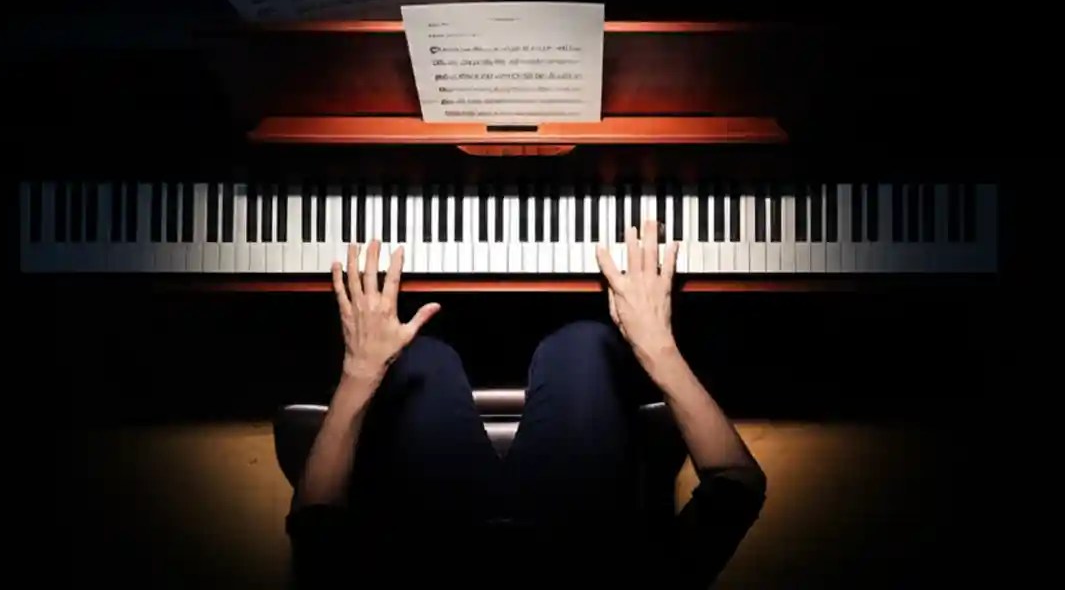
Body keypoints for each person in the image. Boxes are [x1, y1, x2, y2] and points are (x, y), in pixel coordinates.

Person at [285, 220, 766, 589]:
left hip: (434, 546)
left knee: (419, 362)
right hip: (579, 546)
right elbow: (738, 484)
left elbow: (316, 526)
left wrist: (361, 370)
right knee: (584, 345)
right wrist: (656, 342)